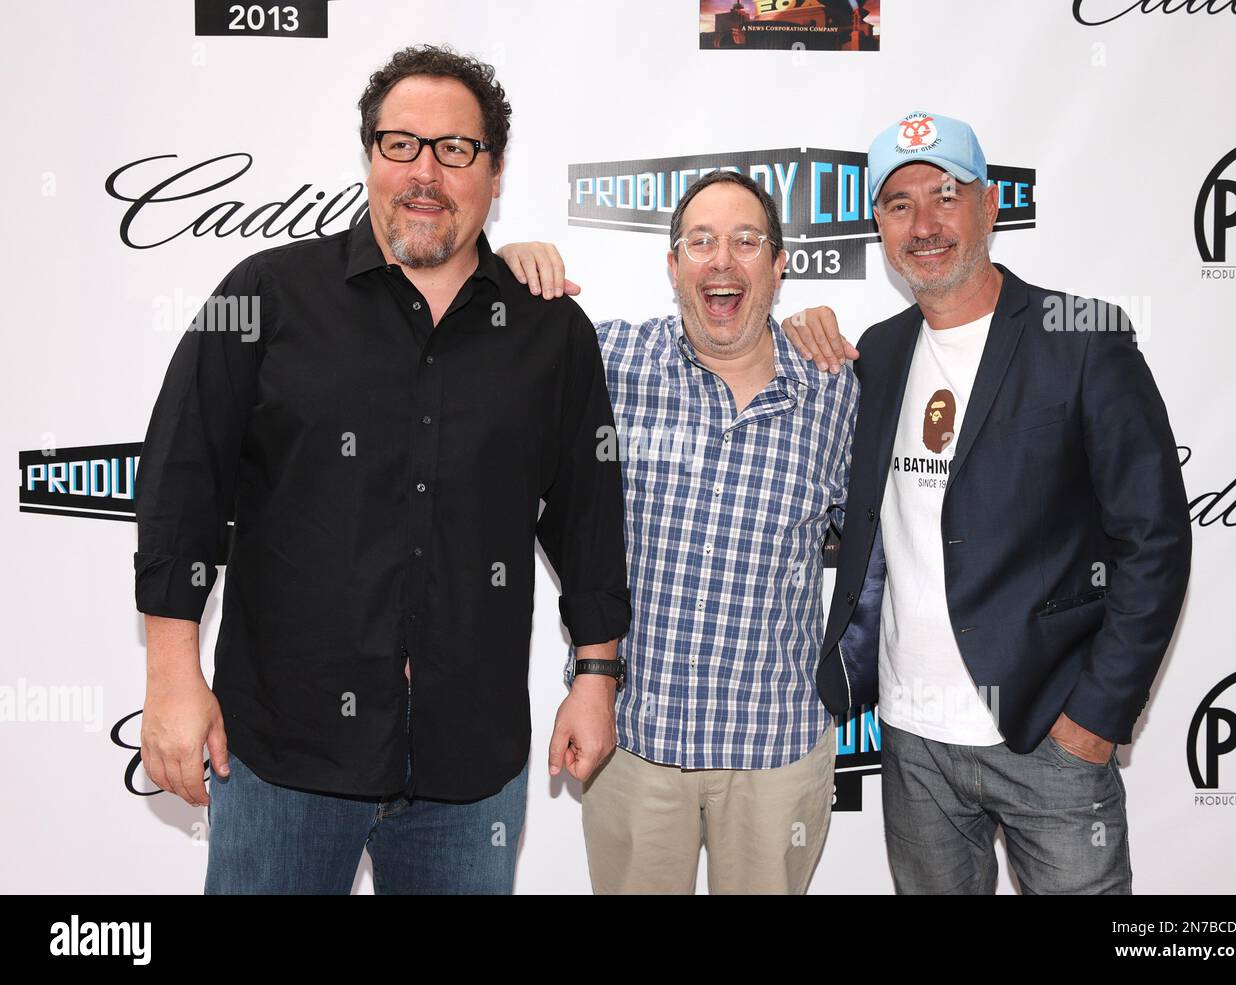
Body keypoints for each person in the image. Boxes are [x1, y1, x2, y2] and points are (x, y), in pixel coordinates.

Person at [134, 44, 630, 895]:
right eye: (399, 144)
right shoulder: (265, 295)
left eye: (454, 149)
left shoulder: (550, 335)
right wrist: (172, 676)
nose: (425, 172)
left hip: (468, 771)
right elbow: (183, 485)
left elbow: (588, 517)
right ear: (369, 156)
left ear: (496, 170)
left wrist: (596, 676)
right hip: (284, 756)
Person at [782, 111, 1192, 894]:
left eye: (945, 194)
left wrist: (1097, 718)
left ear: (989, 206)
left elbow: (1156, 540)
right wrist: (798, 329)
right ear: (879, 227)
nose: (924, 223)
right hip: (911, 739)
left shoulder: (1081, 337)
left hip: (1048, 734)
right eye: (899, 204)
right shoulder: (879, 352)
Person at [500, 170, 858, 893]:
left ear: (779, 264)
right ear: (672, 266)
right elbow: (488, 359)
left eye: (746, 241)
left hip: (777, 749)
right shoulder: (610, 360)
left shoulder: (835, 390)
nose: (721, 259)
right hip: (632, 741)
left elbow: (882, 549)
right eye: (700, 241)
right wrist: (505, 267)